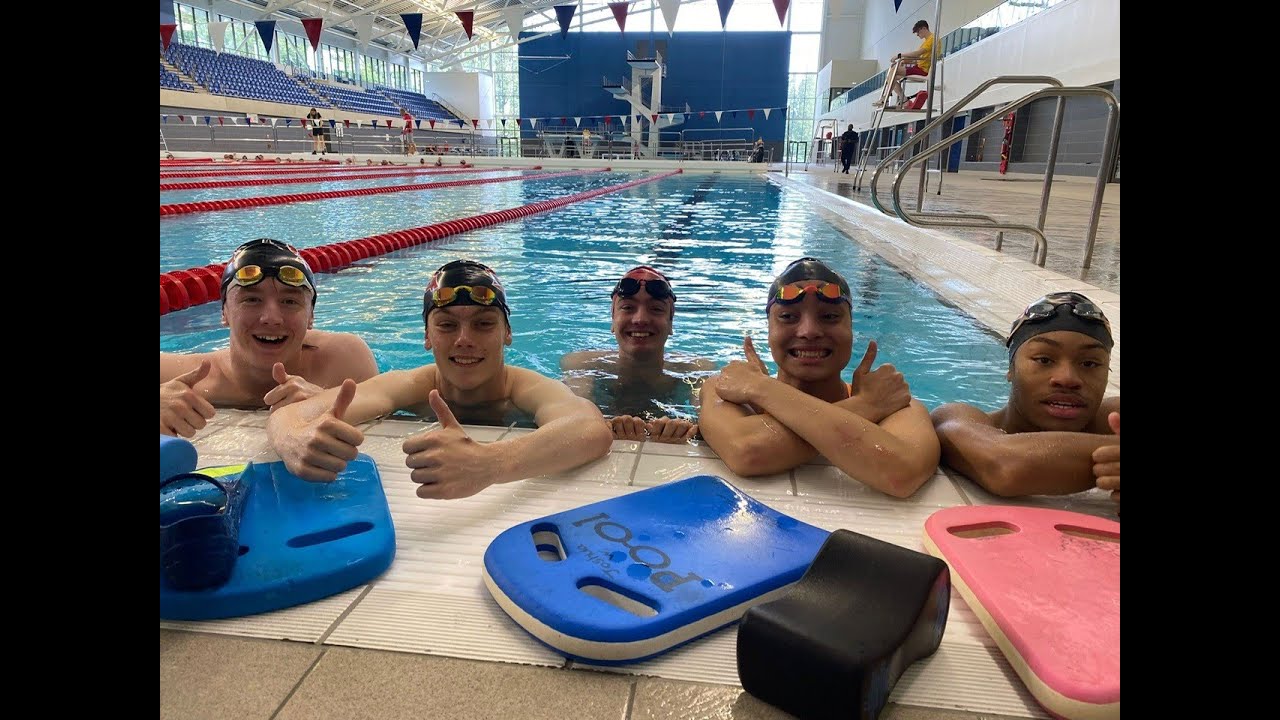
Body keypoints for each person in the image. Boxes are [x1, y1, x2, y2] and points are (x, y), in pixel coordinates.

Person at [266, 259, 614, 498]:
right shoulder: (411, 385)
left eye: (483, 324)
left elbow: (589, 428)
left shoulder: (526, 386)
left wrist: (490, 463)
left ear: (507, 333)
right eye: (447, 325)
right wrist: (294, 439)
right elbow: (293, 414)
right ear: (428, 336)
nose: (464, 338)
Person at [698, 258, 939, 498]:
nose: (809, 331)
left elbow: (900, 473)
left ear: (852, 328)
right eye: (788, 317)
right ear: (768, 329)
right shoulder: (728, 392)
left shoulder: (895, 404)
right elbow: (747, 451)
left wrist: (761, 387)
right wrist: (867, 406)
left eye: (830, 317)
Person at [160, 238, 379, 438]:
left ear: (311, 316)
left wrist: (324, 400)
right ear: (224, 312)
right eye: (252, 299)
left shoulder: (345, 362)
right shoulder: (188, 377)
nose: (271, 318)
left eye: (289, 302)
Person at [930, 292, 1120, 505]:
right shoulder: (956, 418)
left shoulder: (1113, 418)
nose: (1067, 379)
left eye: (1089, 364)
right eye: (1044, 360)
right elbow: (1007, 465)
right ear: (1011, 369)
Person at [561, 266, 715, 443]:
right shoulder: (583, 365)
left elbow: (716, 425)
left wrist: (688, 431)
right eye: (628, 307)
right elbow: (570, 419)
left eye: (656, 309)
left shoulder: (694, 370)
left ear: (670, 321)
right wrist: (602, 427)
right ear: (613, 318)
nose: (640, 319)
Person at [876, 20, 935, 109]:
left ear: (924, 28)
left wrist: (899, 56)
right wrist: (906, 61)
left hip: (922, 70)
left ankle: (890, 98)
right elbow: (919, 59)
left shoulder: (932, 39)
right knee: (892, 76)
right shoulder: (927, 41)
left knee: (893, 71)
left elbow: (917, 54)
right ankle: (903, 100)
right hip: (919, 67)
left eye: (918, 32)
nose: (917, 35)